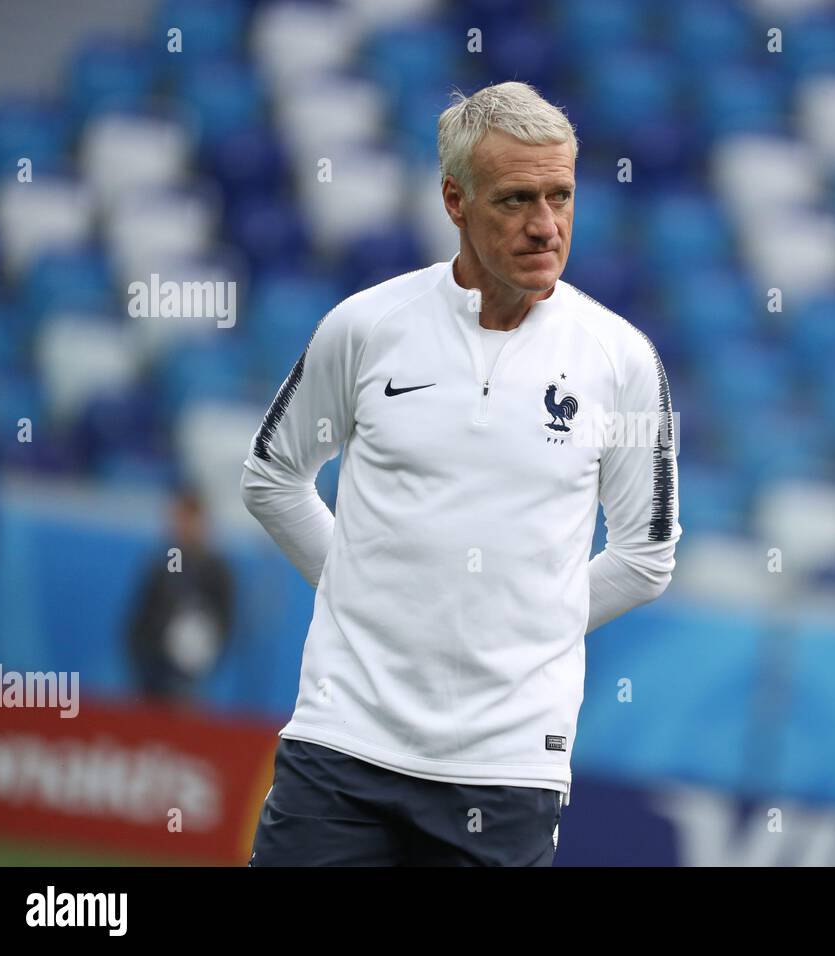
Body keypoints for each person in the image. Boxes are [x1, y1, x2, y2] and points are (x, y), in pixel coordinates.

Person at [241, 81, 681, 866]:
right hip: (343, 739)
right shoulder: (367, 326)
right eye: (515, 200)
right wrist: (358, 591)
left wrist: (524, 625)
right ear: (455, 199)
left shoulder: (623, 361)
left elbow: (647, 557)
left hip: (508, 766)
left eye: (561, 196)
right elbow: (272, 479)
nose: (545, 227)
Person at [125, 488, 234, 704]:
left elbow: (225, 623)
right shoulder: (166, 564)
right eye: (179, 518)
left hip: (191, 676)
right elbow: (142, 618)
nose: (182, 526)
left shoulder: (216, 570)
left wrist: (200, 653)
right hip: (153, 672)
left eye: (188, 519)